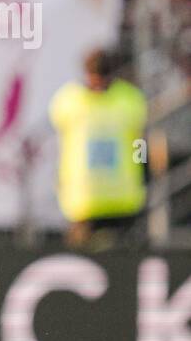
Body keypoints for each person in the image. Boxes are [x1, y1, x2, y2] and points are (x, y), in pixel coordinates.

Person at [48, 49, 148, 248]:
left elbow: (140, 143)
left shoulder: (129, 100)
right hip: (82, 202)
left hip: (122, 201)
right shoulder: (69, 101)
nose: (98, 85)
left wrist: (143, 171)